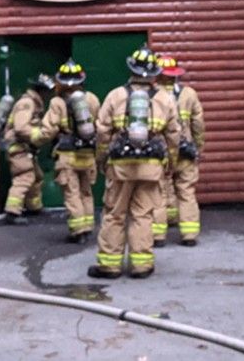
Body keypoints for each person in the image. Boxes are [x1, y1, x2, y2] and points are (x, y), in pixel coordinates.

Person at [88, 46, 179, 280]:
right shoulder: (165, 98)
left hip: (120, 167)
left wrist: (101, 160)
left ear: (132, 69)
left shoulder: (115, 95)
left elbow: (102, 133)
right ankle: (141, 266)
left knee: (114, 214)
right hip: (151, 167)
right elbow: (174, 135)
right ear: (155, 74)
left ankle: (109, 266)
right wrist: (171, 163)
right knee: (143, 215)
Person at [32, 58, 100, 243]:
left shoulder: (57, 102)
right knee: (86, 192)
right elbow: (99, 125)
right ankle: (87, 227)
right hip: (87, 154)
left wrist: (33, 139)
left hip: (67, 156)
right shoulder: (92, 99)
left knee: (72, 194)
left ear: (60, 81)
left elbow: (48, 130)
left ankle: (78, 231)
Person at [155, 55, 205, 246]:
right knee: (186, 191)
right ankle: (189, 235)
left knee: (159, 191)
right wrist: (198, 146)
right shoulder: (189, 94)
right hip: (186, 151)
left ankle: (159, 236)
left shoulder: (154, 95)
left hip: (163, 152)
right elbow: (198, 124)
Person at [2, 73, 54, 225]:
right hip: (17, 147)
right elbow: (20, 127)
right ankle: (12, 211)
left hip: (25, 148)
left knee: (37, 176)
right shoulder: (27, 103)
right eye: (47, 91)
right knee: (25, 177)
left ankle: (34, 207)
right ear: (41, 90)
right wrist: (39, 135)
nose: (48, 94)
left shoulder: (35, 104)